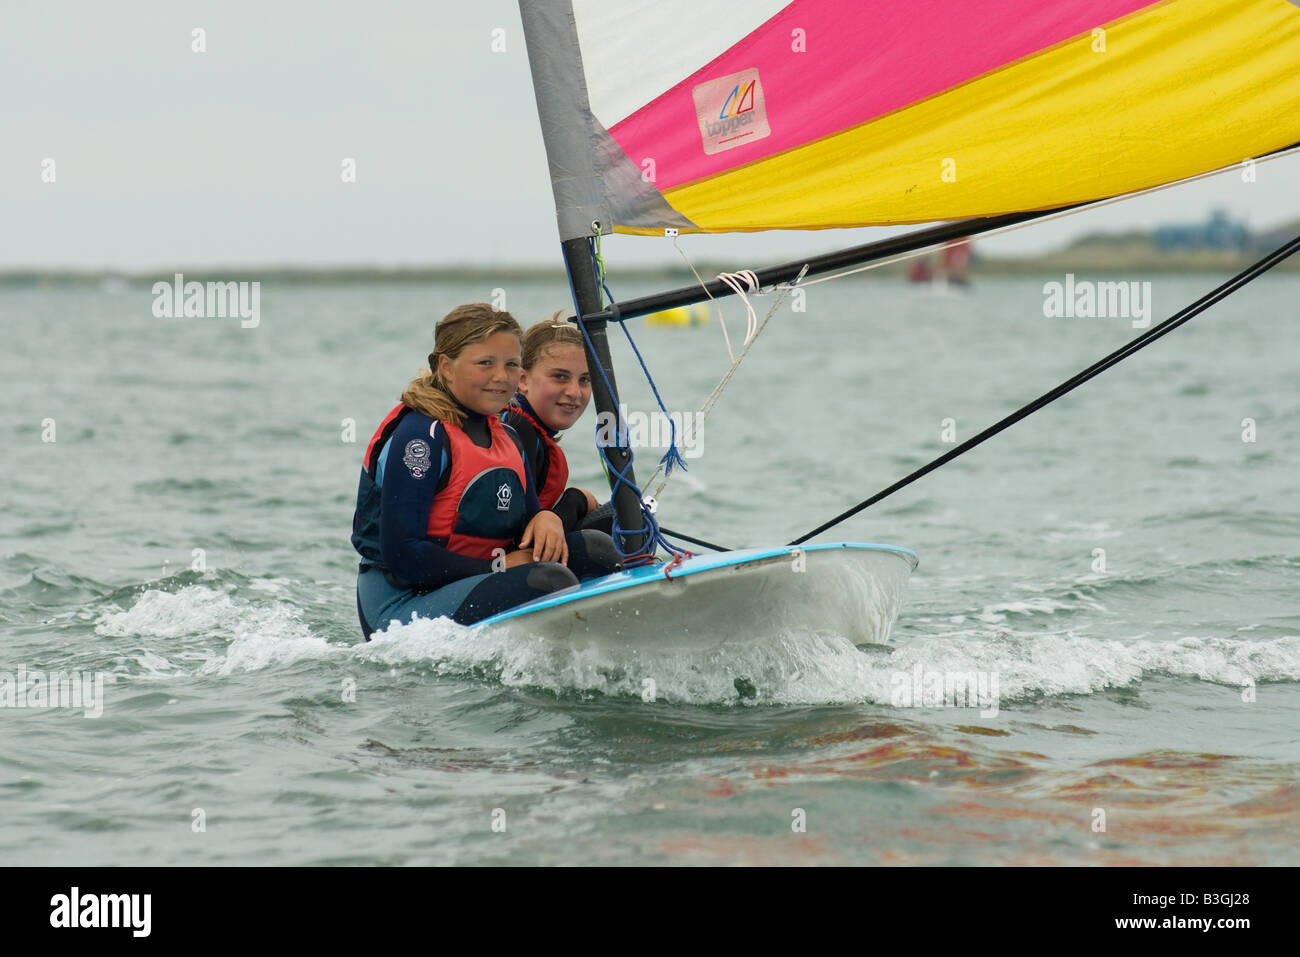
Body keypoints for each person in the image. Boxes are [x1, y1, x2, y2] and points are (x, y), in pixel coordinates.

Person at [351, 304, 618, 638]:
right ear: (446, 367)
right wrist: (500, 566)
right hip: (401, 606)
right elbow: (404, 556)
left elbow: (529, 529)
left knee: (599, 548)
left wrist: (549, 517)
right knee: (549, 580)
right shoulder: (421, 437)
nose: (501, 377)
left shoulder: (507, 439)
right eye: (485, 364)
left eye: (510, 365)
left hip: (475, 579)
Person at [502, 315, 606, 533]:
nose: (574, 392)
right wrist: (576, 501)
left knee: (618, 517)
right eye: (560, 377)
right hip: (490, 563)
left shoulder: (529, 430)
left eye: (585, 380)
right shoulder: (515, 429)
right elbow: (521, 537)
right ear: (522, 380)